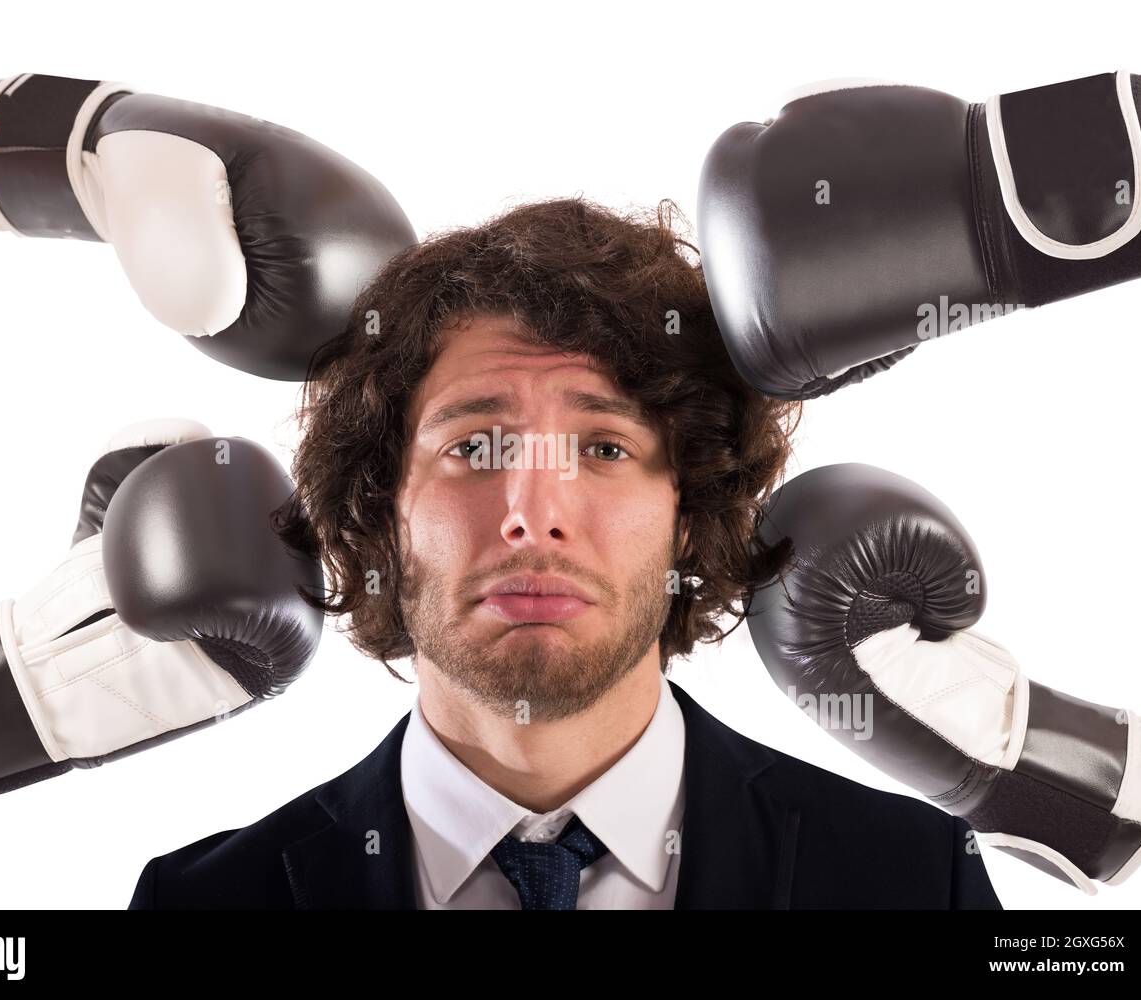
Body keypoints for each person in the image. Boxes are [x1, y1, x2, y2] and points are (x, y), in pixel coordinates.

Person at [129, 197, 1005, 909]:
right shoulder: (199, 906)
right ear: (379, 512)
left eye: (604, 449)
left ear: (690, 514)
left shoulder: (915, 883)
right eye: (475, 448)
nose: (533, 516)